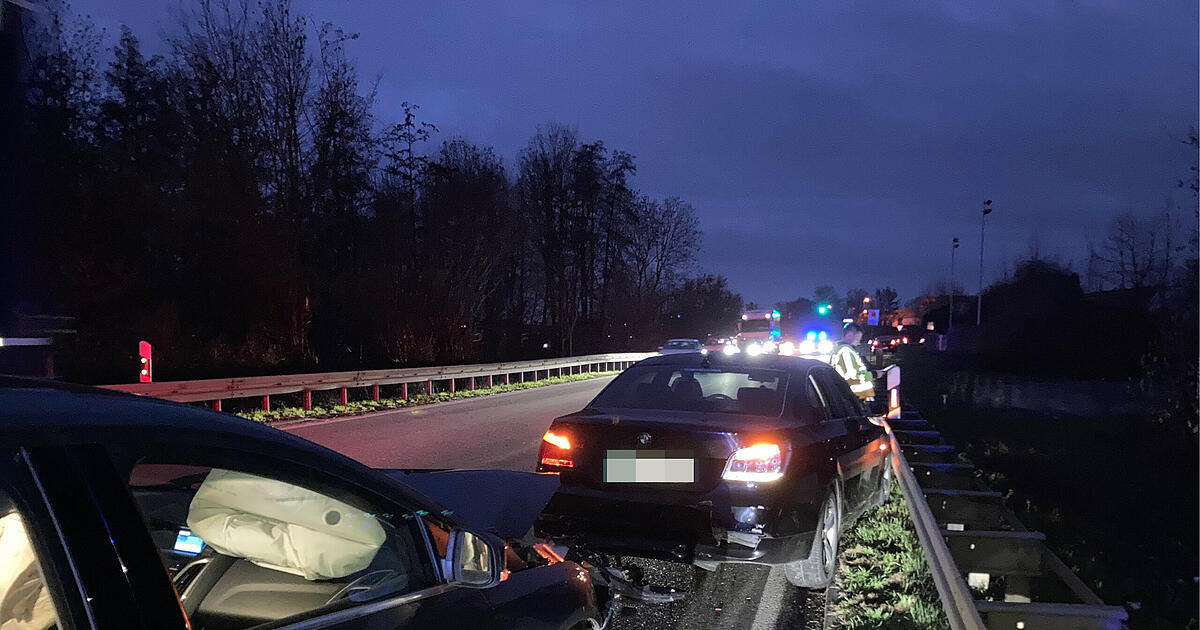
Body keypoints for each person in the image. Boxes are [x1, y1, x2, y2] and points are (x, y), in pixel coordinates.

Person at [831, 323, 875, 401]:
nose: (859, 343)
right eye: (858, 339)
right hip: (855, 398)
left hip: (855, 398)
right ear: (850, 335)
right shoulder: (845, 352)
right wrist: (873, 374)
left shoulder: (843, 350)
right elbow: (852, 377)